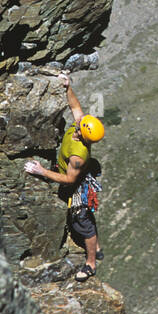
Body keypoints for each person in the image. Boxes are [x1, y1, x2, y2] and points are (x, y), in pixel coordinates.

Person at [24, 73, 105, 282]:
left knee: (81, 221)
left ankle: (91, 263)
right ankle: (96, 246)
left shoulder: (78, 155)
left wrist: (41, 171)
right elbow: (76, 107)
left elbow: (70, 180)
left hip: (76, 184)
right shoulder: (81, 126)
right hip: (74, 176)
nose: (79, 119)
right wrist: (68, 87)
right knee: (84, 220)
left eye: (81, 123)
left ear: (82, 132)